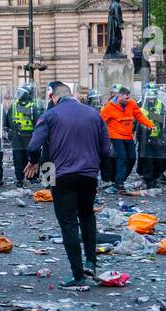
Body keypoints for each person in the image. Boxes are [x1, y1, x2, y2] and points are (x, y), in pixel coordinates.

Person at [25, 82, 113, 288]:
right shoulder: (93, 113)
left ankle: (78, 275)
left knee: (68, 223)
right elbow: (106, 148)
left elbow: (35, 145)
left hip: (62, 175)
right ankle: (91, 261)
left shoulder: (51, 115)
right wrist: (103, 172)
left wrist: (34, 162)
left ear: (53, 97)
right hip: (88, 175)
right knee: (87, 216)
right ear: (72, 94)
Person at [100, 84, 154, 191]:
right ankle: (119, 183)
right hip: (116, 136)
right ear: (119, 96)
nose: (127, 100)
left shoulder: (131, 103)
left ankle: (120, 179)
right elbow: (100, 121)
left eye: (128, 98)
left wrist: (150, 125)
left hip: (128, 136)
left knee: (132, 158)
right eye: (125, 98)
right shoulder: (109, 107)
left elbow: (139, 116)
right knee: (122, 158)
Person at [5, 84, 42, 185]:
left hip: (30, 136)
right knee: (18, 159)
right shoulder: (14, 105)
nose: (18, 95)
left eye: (21, 93)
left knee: (31, 157)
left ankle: (33, 177)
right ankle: (19, 178)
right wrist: (7, 130)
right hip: (17, 136)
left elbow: (37, 121)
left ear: (27, 94)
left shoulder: (33, 106)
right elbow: (8, 119)